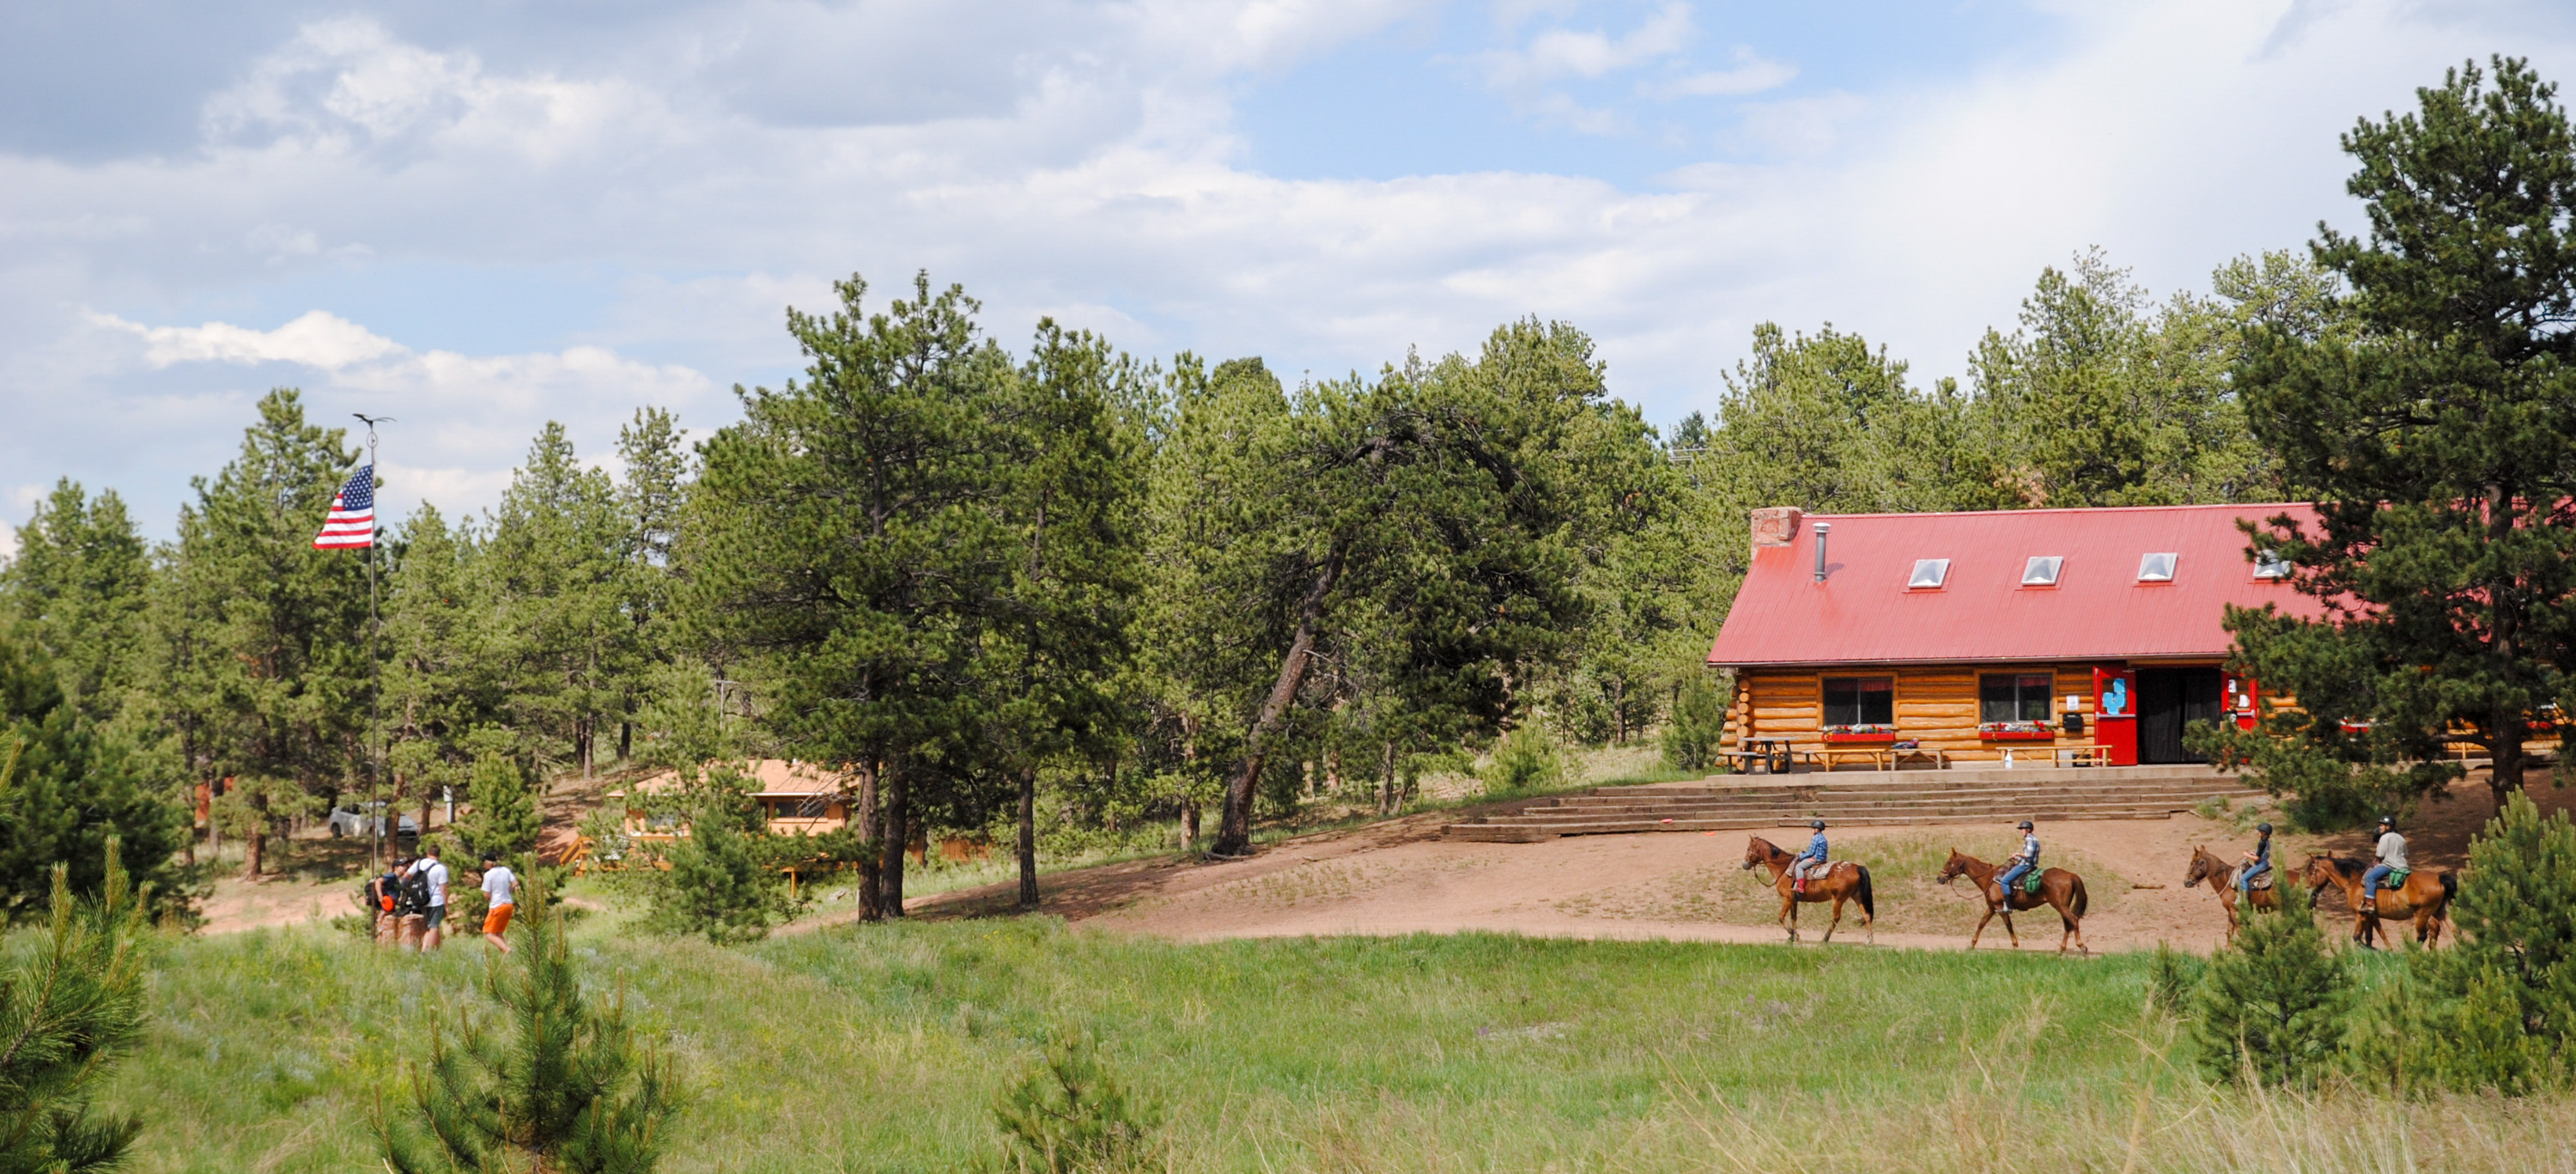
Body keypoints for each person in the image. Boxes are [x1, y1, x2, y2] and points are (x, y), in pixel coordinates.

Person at [408, 845, 451, 951]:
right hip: (436, 901)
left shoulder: (418, 863)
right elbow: (443, 889)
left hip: (422, 899)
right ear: (439, 855)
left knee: (428, 928)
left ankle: (424, 950)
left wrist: (411, 888)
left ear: (428, 853)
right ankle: (430, 953)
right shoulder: (441, 868)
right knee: (434, 927)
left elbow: (406, 876)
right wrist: (446, 905)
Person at [2362, 815, 2407, 915]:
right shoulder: (2401, 838)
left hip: (2389, 865)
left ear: (2388, 827)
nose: (2380, 828)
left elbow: (2380, 854)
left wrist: (2377, 860)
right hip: (2403, 866)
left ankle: (2370, 904)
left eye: (2382, 825)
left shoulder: (2385, 837)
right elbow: (2405, 853)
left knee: (2370, 877)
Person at [1995, 819, 2039, 913]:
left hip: (2026, 865)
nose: (2021, 831)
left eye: (2022, 829)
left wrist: (2017, 854)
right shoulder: (2033, 839)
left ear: (2028, 830)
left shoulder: (2030, 839)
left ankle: (2009, 906)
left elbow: (2028, 855)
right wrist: (2016, 857)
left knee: (2004, 881)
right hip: (2027, 863)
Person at [478, 852, 518, 954]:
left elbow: (486, 894)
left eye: (484, 862)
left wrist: (489, 899)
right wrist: (508, 891)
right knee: (498, 933)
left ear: (489, 863)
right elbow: (515, 883)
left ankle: (507, 950)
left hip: (497, 906)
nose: (483, 864)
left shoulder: (488, 875)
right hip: (508, 905)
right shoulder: (506, 870)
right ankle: (505, 956)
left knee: (489, 934)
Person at [2236, 822, 2274, 899]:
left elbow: (2257, 858)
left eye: (2259, 832)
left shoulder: (2262, 843)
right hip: (2265, 862)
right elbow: (2261, 854)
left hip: (2259, 865)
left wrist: (2247, 855)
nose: (2258, 833)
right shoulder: (2266, 842)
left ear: (2263, 833)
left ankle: (2244, 899)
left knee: (2243, 878)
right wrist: (2253, 853)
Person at [1792, 819, 1828, 894]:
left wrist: (1800, 856)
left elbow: (1811, 852)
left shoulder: (1815, 838)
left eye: (1813, 828)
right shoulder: (1823, 838)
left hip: (1816, 859)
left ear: (1817, 829)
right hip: (1823, 858)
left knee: (1799, 866)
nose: (1812, 830)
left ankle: (1801, 887)